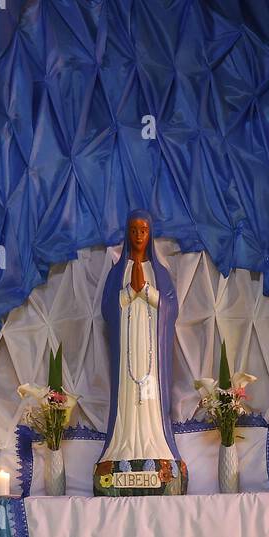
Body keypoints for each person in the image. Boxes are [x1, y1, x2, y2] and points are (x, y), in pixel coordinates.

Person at [94, 210, 187, 495]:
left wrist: (144, 291)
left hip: (151, 356)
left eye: (143, 230)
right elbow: (108, 310)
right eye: (133, 230)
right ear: (127, 232)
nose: (138, 235)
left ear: (150, 234)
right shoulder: (116, 272)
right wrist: (127, 294)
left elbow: (171, 309)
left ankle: (155, 446)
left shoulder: (160, 274)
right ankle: (123, 447)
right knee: (126, 399)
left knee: (151, 402)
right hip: (126, 355)